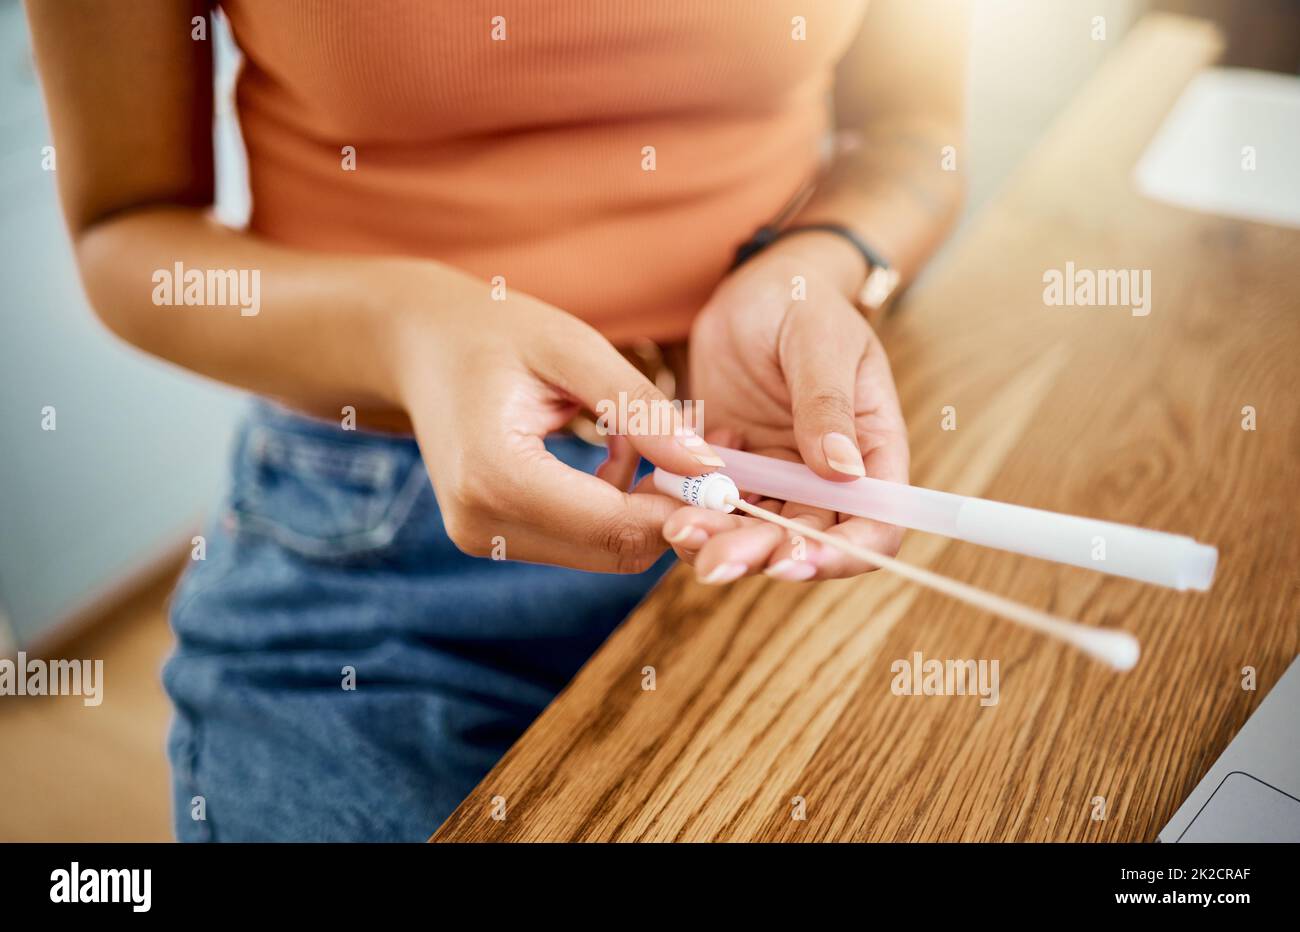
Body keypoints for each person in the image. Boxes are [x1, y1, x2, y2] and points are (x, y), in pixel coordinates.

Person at [26, 0, 966, 840]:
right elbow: (125, 233)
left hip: (770, 470)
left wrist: (814, 265)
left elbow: (917, 131)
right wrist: (408, 328)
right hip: (370, 546)